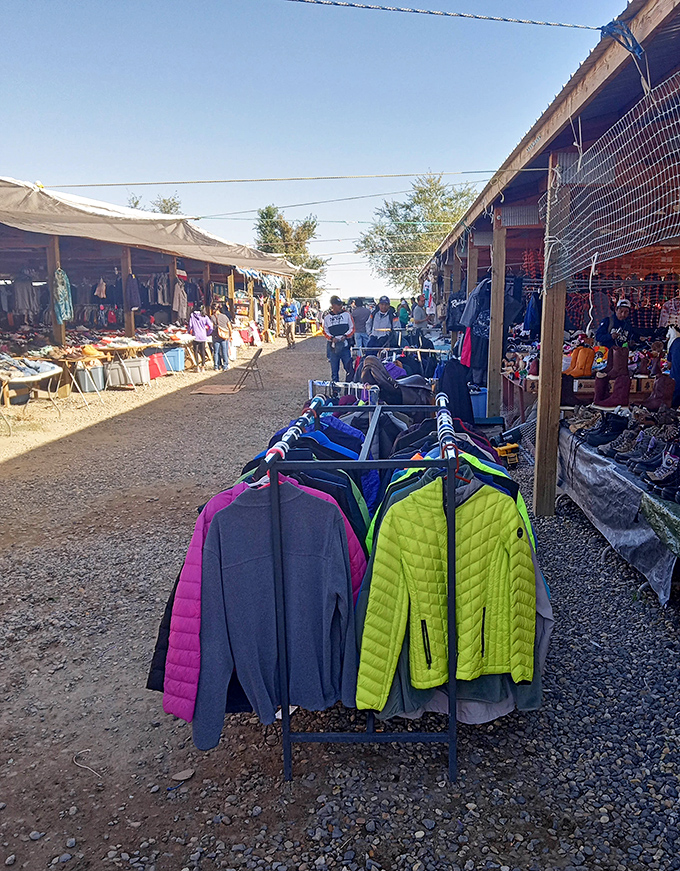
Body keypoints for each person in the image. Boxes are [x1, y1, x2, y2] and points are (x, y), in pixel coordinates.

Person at [323, 296, 354, 381]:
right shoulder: (327, 318)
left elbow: (352, 328)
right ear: (333, 305)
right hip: (333, 348)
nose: (340, 306)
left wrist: (345, 336)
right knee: (334, 372)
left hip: (345, 347)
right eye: (338, 304)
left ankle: (349, 390)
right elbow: (325, 331)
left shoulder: (347, 314)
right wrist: (331, 338)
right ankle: (335, 392)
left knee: (349, 370)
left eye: (341, 304)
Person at [188, 305, 213, 372]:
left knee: (195, 351)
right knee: (202, 351)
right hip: (203, 336)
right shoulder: (205, 317)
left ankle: (197, 366)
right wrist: (207, 333)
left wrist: (189, 332)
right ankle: (203, 366)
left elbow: (190, 325)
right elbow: (211, 326)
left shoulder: (192, 316)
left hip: (195, 335)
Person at [211, 303, 232, 371]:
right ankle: (225, 365)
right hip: (224, 336)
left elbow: (211, 327)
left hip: (216, 336)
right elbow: (229, 327)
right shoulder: (224, 316)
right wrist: (230, 335)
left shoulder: (212, 317)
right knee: (224, 351)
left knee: (216, 352)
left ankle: (216, 366)